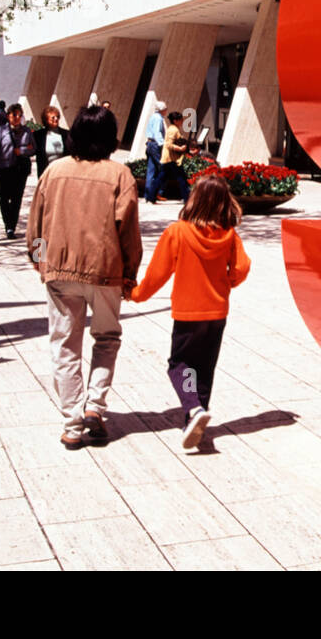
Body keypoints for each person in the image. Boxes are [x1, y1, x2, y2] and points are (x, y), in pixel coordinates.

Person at [26, 105, 142, 450]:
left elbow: (36, 223)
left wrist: (39, 262)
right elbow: (129, 233)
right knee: (106, 339)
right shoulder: (121, 175)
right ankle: (95, 407)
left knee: (65, 344)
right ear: (111, 138)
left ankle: (72, 424)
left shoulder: (54, 172)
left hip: (60, 270)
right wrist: (130, 274)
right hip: (106, 272)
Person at [130, 173, 249, 449]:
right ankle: (193, 422)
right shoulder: (230, 235)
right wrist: (226, 283)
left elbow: (157, 274)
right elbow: (242, 268)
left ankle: (193, 409)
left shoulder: (178, 232)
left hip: (187, 313)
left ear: (194, 199)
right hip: (217, 312)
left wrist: (136, 294)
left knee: (179, 366)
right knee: (204, 369)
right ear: (223, 202)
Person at [0, 103, 35, 239]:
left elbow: (33, 149)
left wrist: (22, 150)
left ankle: (11, 227)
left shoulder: (27, 131)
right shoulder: (0, 131)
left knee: (17, 199)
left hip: (20, 170)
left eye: (19, 115)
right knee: (4, 198)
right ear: (8, 116)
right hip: (3, 169)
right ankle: (7, 223)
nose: (17, 118)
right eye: (14, 115)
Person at [160, 110, 192, 202]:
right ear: (175, 121)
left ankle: (152, 195)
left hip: (171, 158)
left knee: (162, 177)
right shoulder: (173, 130)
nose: (182, 121)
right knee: (181, 178)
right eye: (181, 119)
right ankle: (186, 198)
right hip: (171, 159)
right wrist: (180, 148)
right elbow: (168, 144)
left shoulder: (174, 129)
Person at [32, 105, 71, 176]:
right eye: (53, 117)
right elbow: (32, 150)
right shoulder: (38, 135)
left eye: (57, 117)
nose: (56, 119)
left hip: (62, 172)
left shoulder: (66, 134)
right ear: (46, 119)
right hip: (45, 172)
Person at [143, 101, 167, 203]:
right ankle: (157, 193)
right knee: (163, 168)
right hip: (155, 145)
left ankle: (148, 194)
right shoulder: (158, 118)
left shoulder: (153, 117)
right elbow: (157, 132)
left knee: (151, 170)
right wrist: (162, 144)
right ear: (162, 110)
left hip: (149, 144)